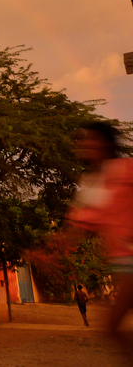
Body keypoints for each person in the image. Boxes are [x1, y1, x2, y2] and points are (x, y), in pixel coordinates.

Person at [68, 122, 133, 359]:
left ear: (105, 143)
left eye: (91, 140)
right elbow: (84, 224)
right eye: (83, 141)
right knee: (112, 327)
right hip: (122, 263)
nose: (86, 145)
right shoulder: (92, 183)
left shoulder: (127, 169)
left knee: (112, 326)